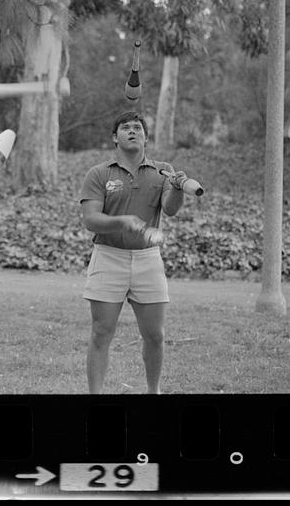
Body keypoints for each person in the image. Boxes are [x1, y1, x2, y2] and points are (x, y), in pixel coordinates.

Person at [79, 110, 188, 394]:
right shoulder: (99, 173)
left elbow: (171, 209)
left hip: (147, 259)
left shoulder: (162, 171)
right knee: (101, 333)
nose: (132, 131)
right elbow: (90, 218)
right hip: (108, 256)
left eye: (138, 128)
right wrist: (121, 221)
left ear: (146, 138)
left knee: (155, 336)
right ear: (115, 137)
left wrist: (177, 188)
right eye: (125, 128)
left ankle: (153, 393)